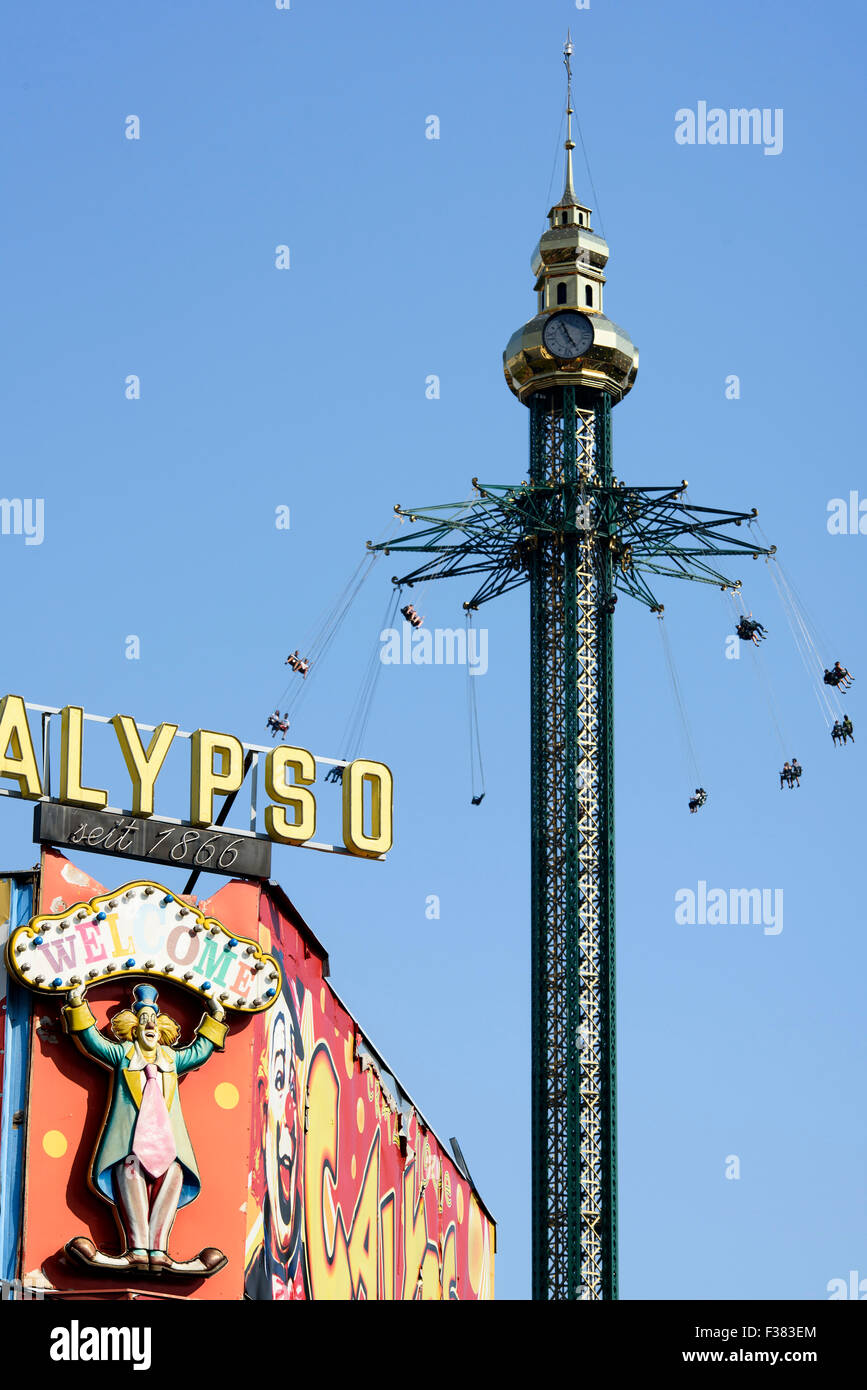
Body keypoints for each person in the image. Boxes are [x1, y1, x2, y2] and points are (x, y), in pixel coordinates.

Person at [63, 983, 228, 1279]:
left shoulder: (171, 1060)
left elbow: (201, 1050)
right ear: (133, 1029)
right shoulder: (122, 1055)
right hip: (129, 1145)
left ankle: (159, 1251)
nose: (149, 1024)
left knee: (175, 1175)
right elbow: (90, 1041)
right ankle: (138, 1249)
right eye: (143, 1021)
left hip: (169, 1146)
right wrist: (77, 1003)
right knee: (130, 1172)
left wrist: (215, 1015)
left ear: (161, 1028)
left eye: (153, 1020)